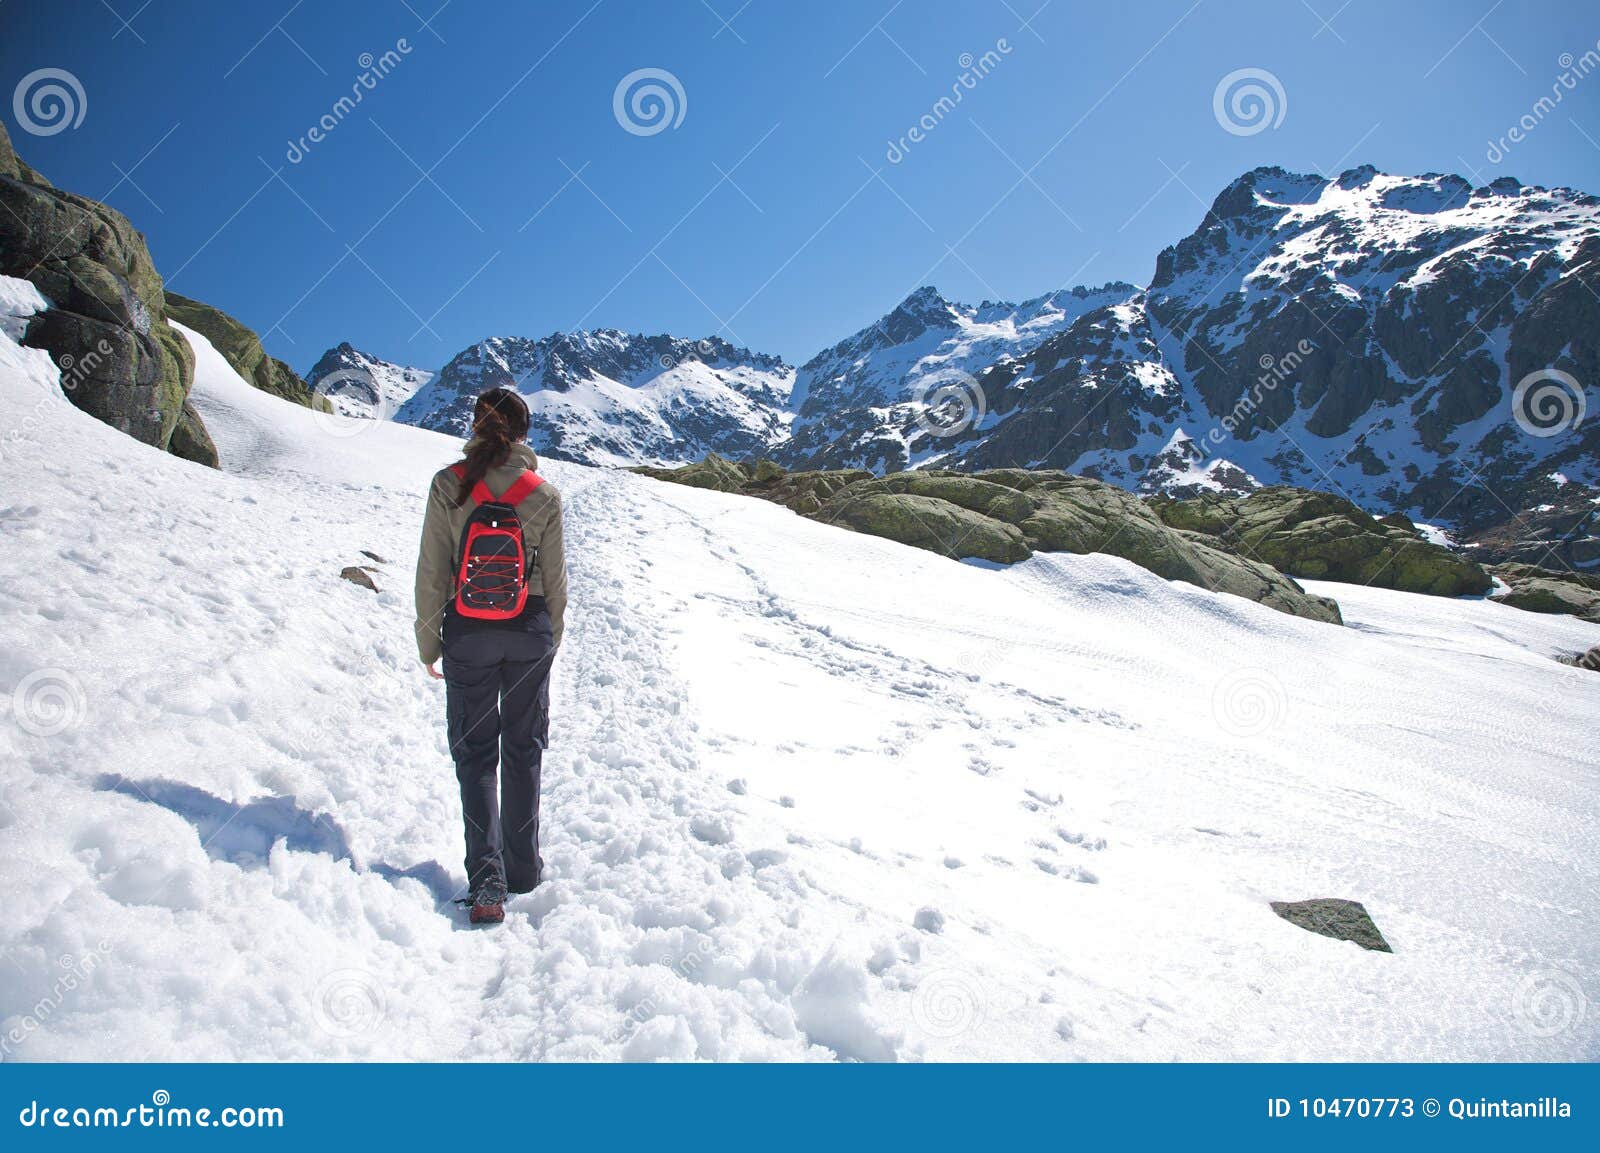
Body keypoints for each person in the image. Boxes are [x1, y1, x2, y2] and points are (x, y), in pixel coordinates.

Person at [413, 388, 566, 925]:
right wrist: (550, 638)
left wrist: (430, 641)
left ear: (475, 427)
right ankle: (523, 869)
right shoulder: (542, 493)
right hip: (529, 632)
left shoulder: (448, 484)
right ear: (524, 434)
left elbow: (433, 571)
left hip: (469, 633)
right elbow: (556, 581)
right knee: (524, 749)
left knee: (477, 754)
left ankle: (487, 882)